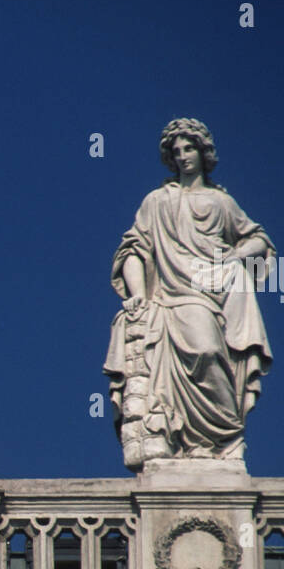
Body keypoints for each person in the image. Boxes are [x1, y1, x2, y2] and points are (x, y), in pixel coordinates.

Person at [104, 118, 273, 471]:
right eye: (176, 150)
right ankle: (182, 441)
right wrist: (137, 294)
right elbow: (135, 248)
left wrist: (234, 256)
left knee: (210, 351)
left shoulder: (220, 202)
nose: (183, 156)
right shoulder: (157, 201)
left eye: (189, 148)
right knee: (190, 360)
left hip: (208, 296)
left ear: (203, 151)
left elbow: (258, 241)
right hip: (167, 298)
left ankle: (223, 438)